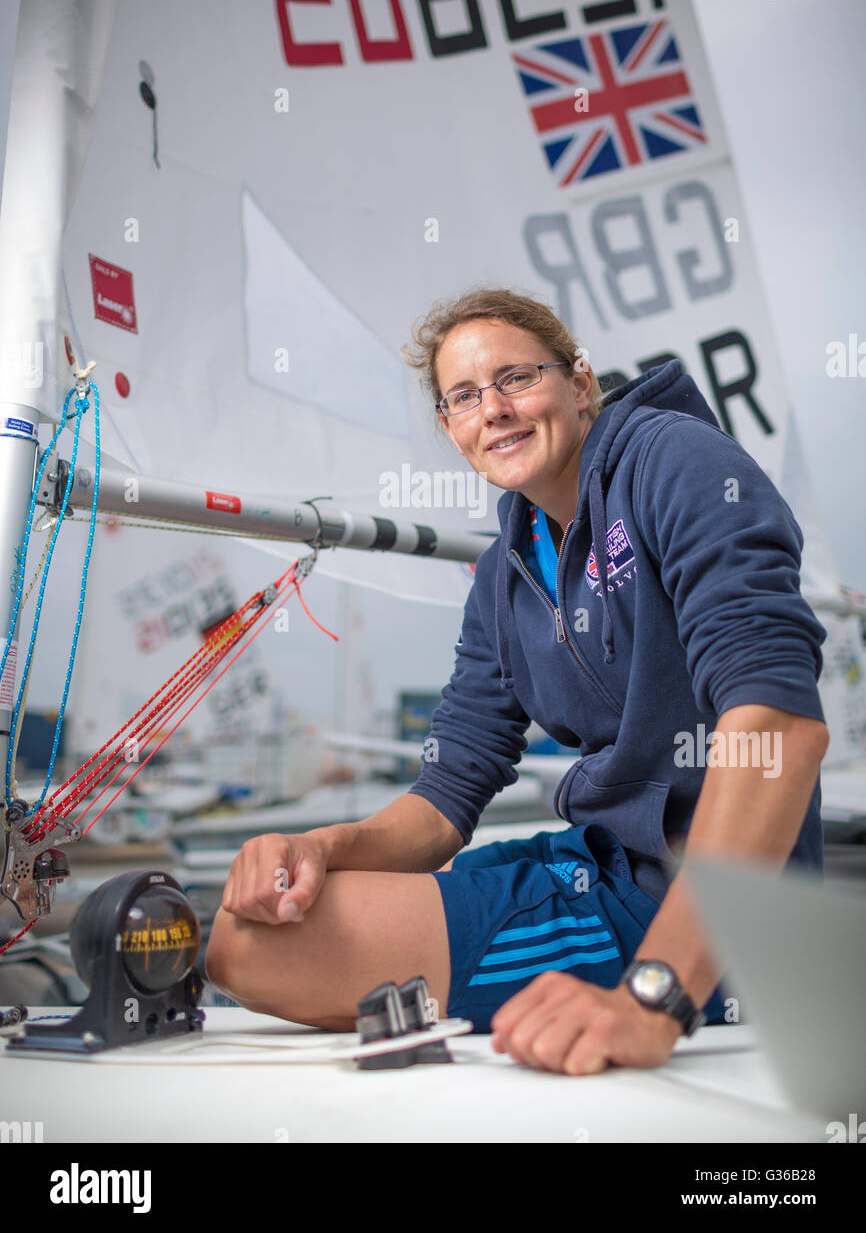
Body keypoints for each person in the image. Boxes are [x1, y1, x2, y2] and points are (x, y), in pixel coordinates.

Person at [206, 289, 829, 1076]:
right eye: (464, 396)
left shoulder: (677, 460)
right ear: (450, 429)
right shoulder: (503, 573)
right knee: (252, 926)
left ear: (581, 384)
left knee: (260, 947)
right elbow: (446, 794)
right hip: (601, 865)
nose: (492, 409)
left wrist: (653, 998)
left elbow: (779, 727)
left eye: (516, 379)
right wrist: (322, 845)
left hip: (713, 914)